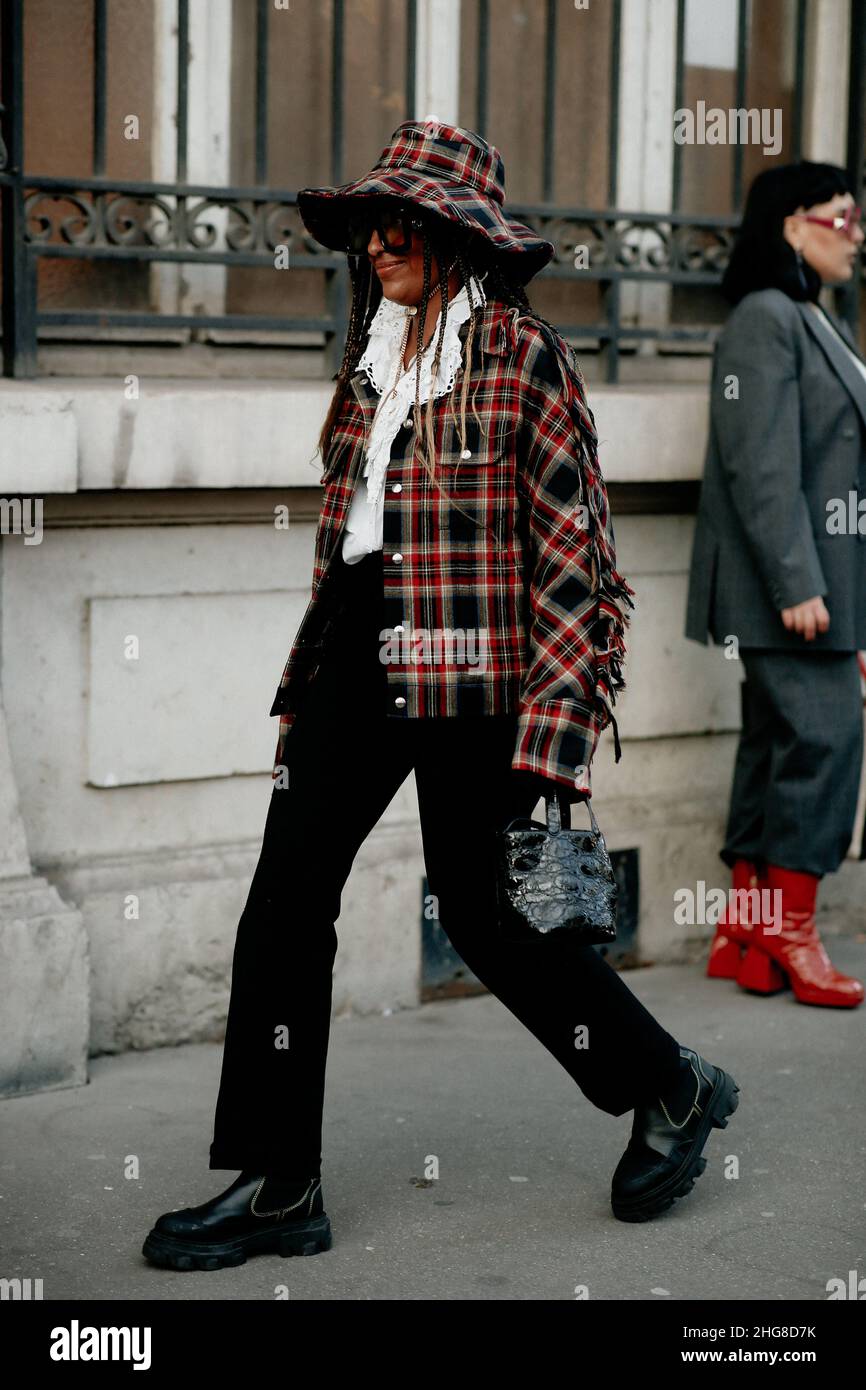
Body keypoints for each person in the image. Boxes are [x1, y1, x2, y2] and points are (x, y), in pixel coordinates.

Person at [142, 121, 739, 1272]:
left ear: (459, 238)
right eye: (371, 224)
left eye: (403, 223)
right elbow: (350, 549)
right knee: (283, 897)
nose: (379, 243)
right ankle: (278, 1183)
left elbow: (579, 565)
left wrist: (554, 734)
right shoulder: (372, 360)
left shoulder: (518, 356)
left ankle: (666, 1086)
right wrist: (305, 679)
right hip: (362, 655)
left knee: (482, 914)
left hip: (476, 671)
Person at [685, 161, 866, 1008]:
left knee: (776, 747)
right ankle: (794, 938)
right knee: (826, 744)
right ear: (793, 225)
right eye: (843, 218)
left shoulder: (810, 319)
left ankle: (748, 937)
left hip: (817, 584)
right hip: (787, 586)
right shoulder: (766, 319)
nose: (856, 235)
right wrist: (798, 583)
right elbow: (760, 463)